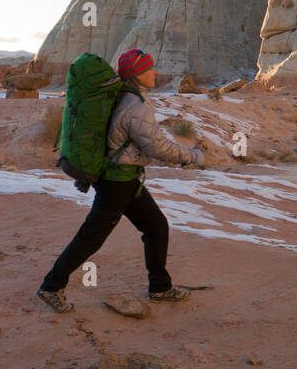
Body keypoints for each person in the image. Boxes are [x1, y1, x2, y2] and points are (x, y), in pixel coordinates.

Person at [36, 48, 205, 313]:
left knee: (156, 227)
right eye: (149, 68)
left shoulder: (122, 97)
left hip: (124, 180)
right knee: (91, 237)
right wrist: (192, 156)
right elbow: (156, 147)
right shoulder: (135, 106)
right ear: (137, 73)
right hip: (118, 184)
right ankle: (50, 286)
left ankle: (160, 288)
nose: (155, 72)